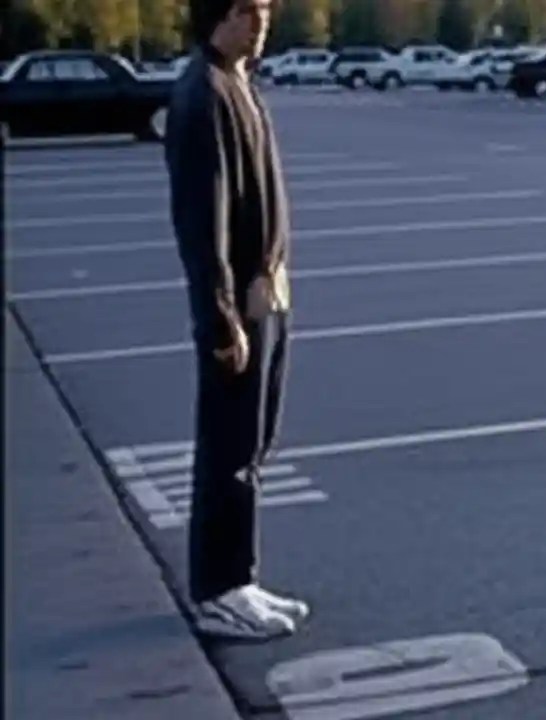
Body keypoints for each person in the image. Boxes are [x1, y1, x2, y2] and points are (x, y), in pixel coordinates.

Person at [165, 0, 308, 640]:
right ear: (218, 16)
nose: (263, 20)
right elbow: (204, 225)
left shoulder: (241, 82)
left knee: (251, 444)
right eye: (249, 9)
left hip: (266, 294)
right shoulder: (203, 95)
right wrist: (221, 320)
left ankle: (240, 578)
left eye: (268, 8)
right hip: (238, 309)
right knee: (227, 446)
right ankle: (220, 588)